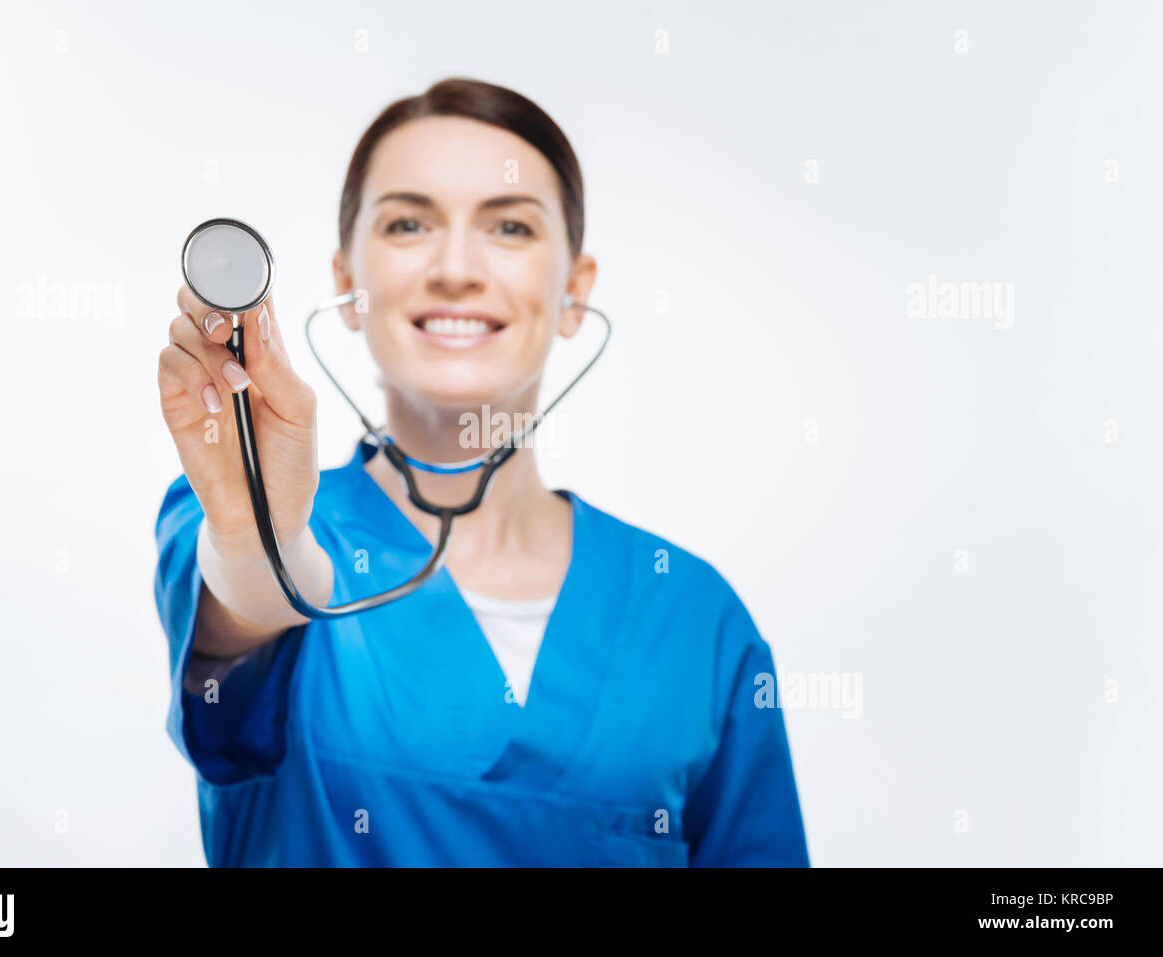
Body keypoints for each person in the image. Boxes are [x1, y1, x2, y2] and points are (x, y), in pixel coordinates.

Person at [154, 76, 809, 866]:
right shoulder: (249, 517)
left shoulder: (695, 617)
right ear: (346, 287)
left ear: (574, 291)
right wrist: (264, 533)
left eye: (508, 227)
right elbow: (255, 592)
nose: (456, 267)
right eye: (407, 223)